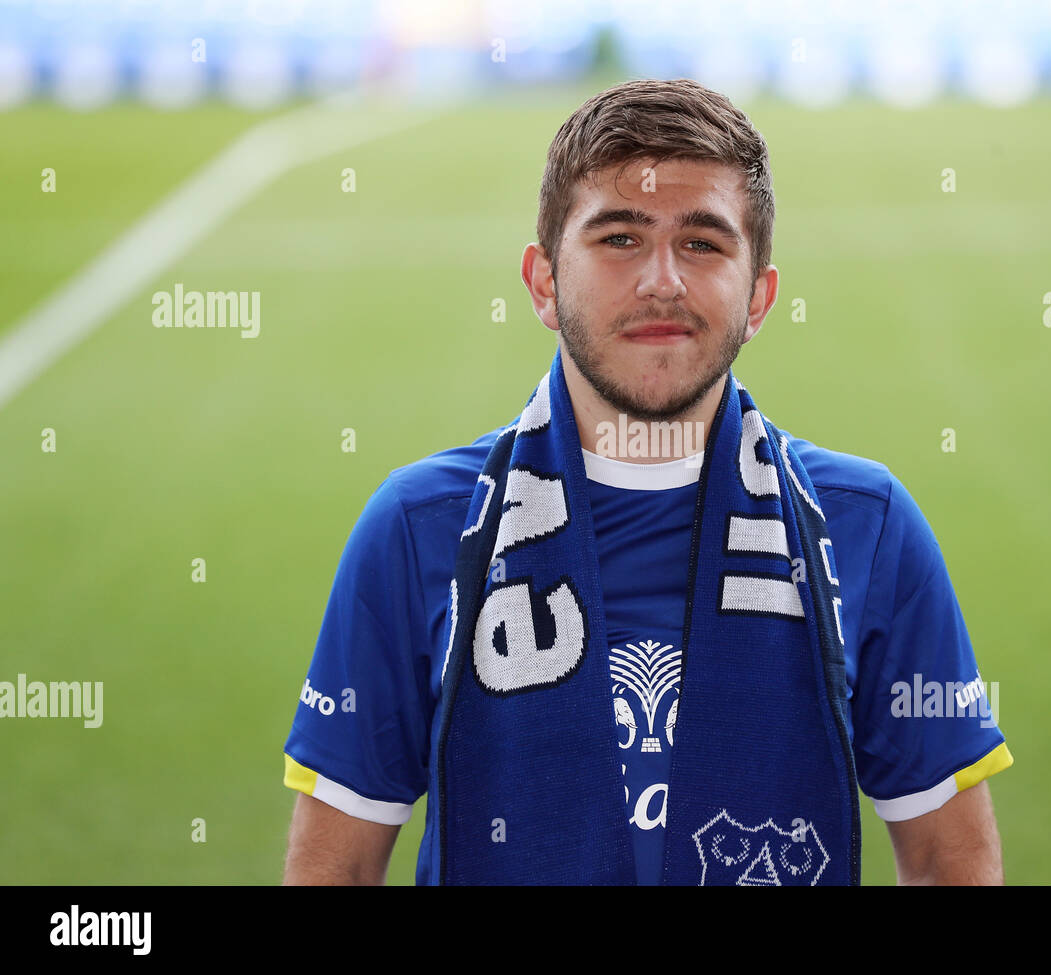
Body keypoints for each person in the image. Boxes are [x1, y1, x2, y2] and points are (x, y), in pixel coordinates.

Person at [281, 78, 1012, 886]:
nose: (662, 280)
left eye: (702, 243)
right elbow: (334, 868)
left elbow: (953, 860)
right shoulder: (421, 527)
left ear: (759, 296)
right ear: (544, 283)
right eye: (619, 238)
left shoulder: (866, 525)